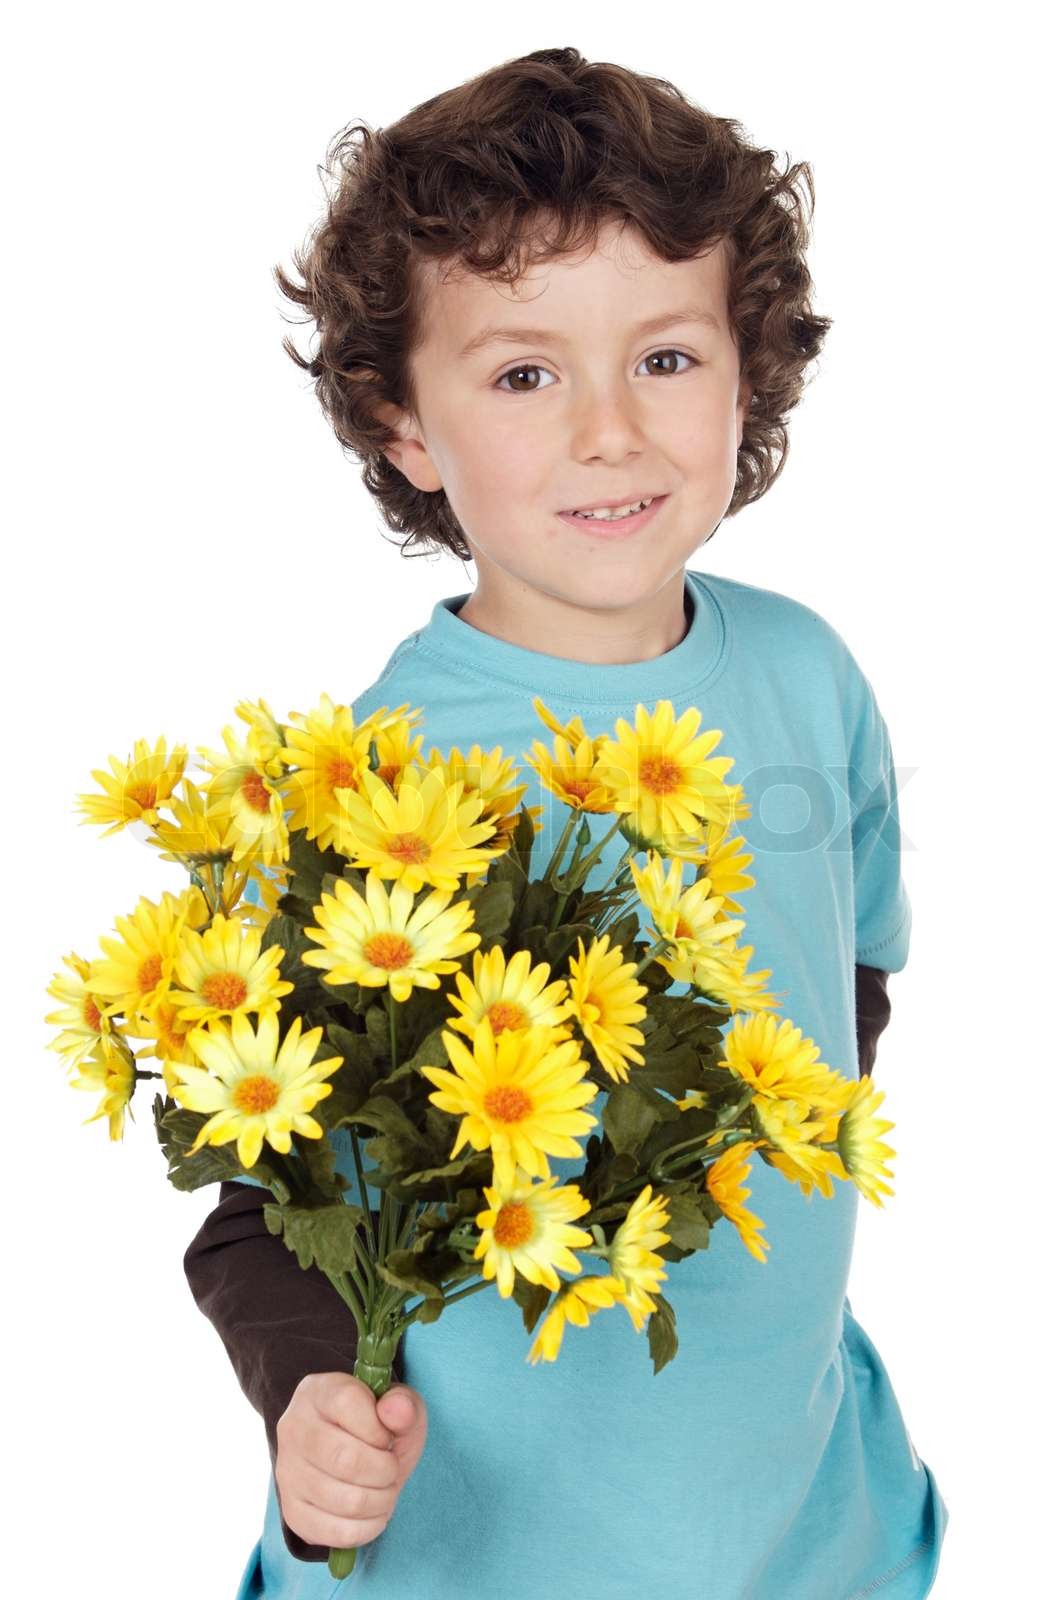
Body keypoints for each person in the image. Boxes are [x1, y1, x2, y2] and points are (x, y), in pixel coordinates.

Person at [184, 46, 949, 1599]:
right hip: (478, 1557)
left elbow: (846, 982)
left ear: (748, 369)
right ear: (407, 427)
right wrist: (307, 1403)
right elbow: (258, 1207)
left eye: (666, 358)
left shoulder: (808, 672)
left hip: (807, 1528)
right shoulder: (372, 780)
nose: (612, 430)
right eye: (526, 374)